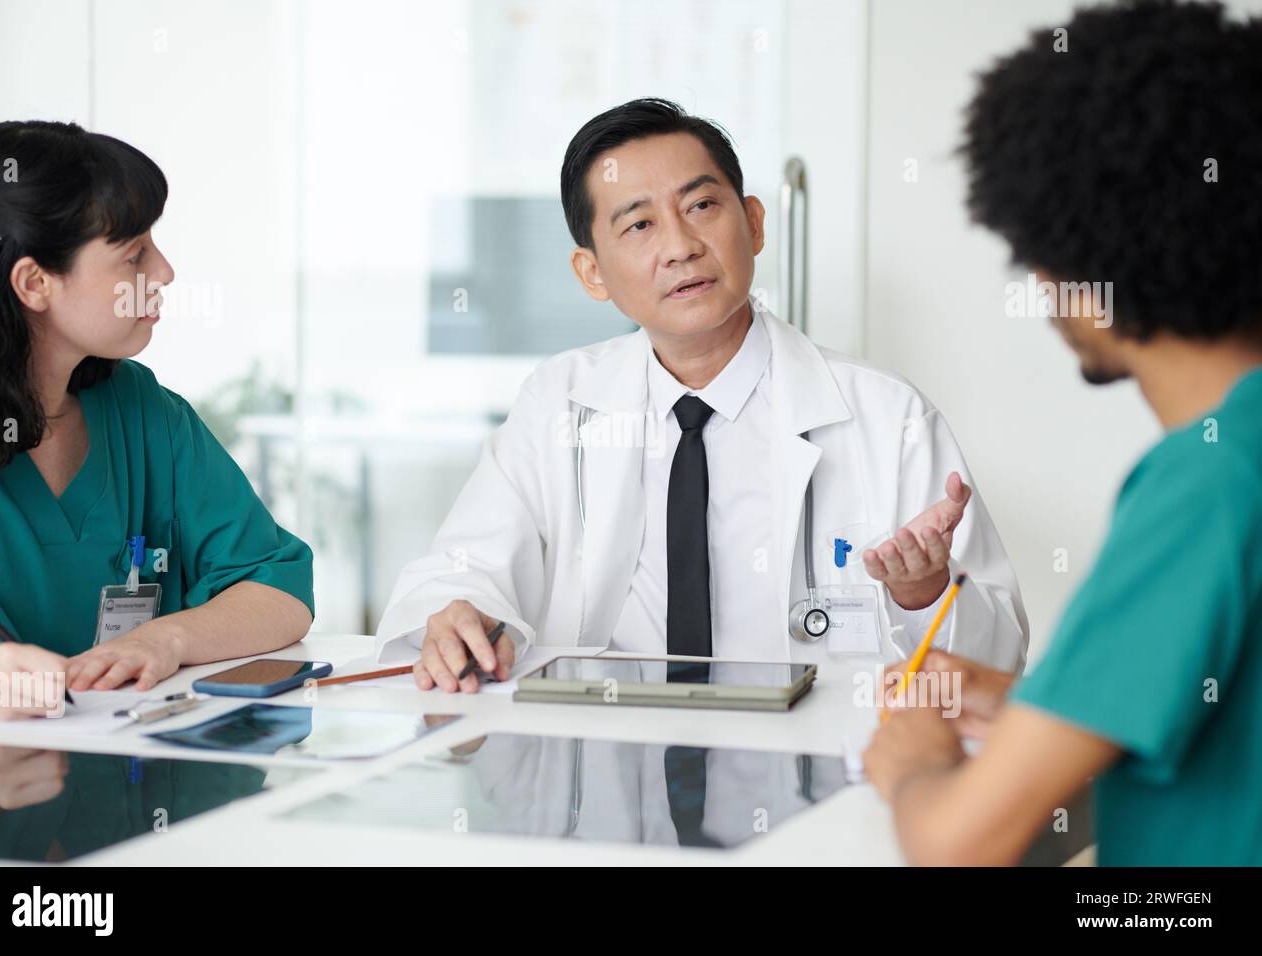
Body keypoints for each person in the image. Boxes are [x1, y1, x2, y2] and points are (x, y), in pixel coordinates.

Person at [377, 99, 1027, 692]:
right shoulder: (559, 403)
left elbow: (1000, 660)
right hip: (603, 760)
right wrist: (457, 613)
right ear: (592, 273)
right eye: (638, 225)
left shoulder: (889, 416)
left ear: (753, 223)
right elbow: (464, 566)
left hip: (815, 762)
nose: (681, 247)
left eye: (702, 207)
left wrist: (925, 592)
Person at [863, 0, 1262, 865]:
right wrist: (1033, 706)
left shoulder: (1206, 483)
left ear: (1077, 265)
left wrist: (916, 763)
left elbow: (957, 847)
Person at [0, 120, 314, 717]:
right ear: (34, 282)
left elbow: (280, 591)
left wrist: (165, 638)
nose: (166, 272)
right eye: (134, 255)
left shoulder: (146, 415)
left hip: (139, 786)